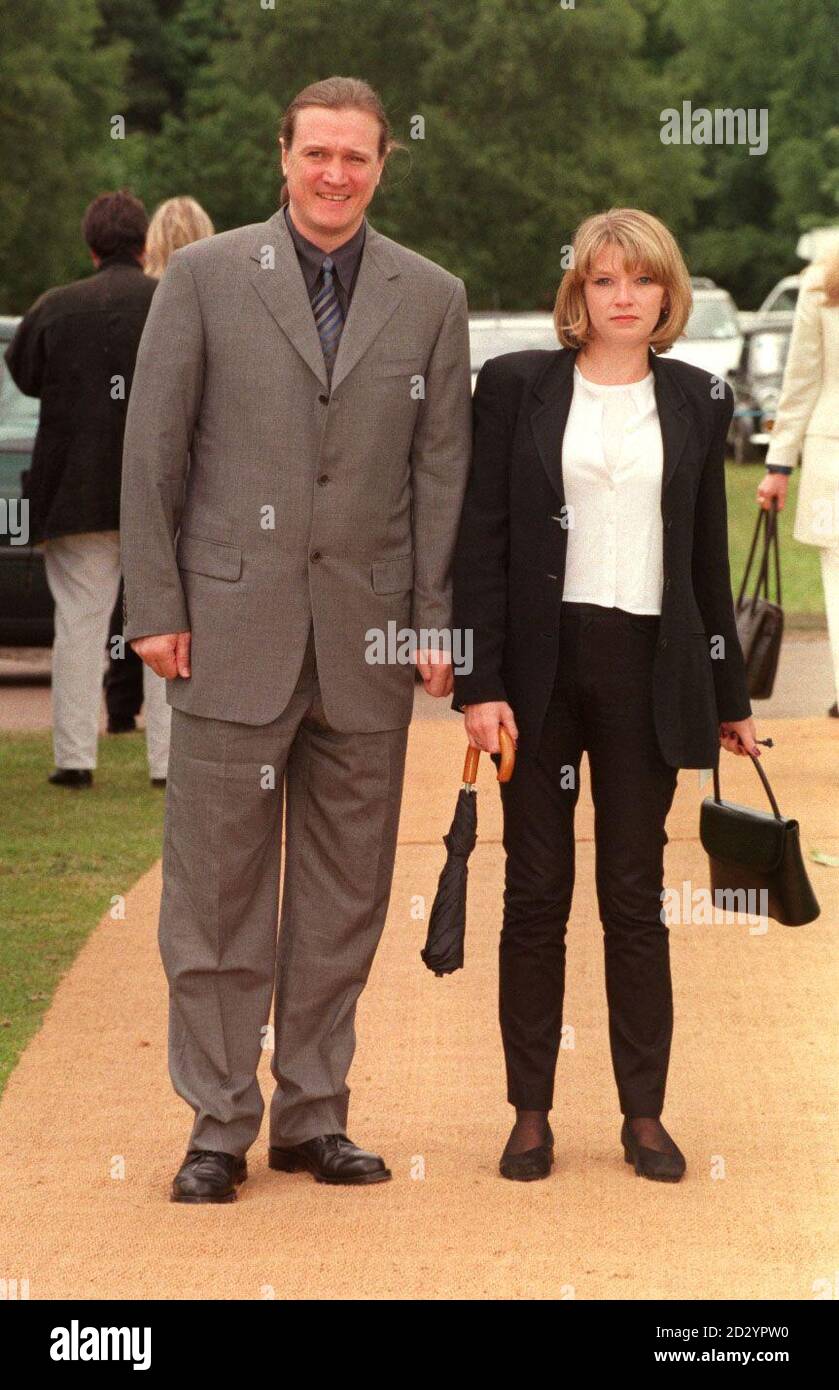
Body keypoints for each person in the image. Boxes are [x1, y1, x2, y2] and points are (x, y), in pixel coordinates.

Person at [120, 77, 472, 1203]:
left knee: (342, 897)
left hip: (367, 644)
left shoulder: (430, 295)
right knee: (215, 897)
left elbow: (439, 472)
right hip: (225, 630)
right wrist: (156, 602)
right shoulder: (208, 277)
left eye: (355, 158)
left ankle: (313, 1115)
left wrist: (430, 616)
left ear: (382, 165)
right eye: (315, 153)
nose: (334, 174)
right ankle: (218, 1124)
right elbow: (153, 453)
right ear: (282, 155)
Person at [451, 208, 759, 1183]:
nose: (621, 296)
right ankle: (530, 1113)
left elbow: (705, 558)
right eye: (602, 280)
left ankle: (642, 1114)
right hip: (539, 678)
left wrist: (730, 694)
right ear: (576, 292)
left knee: (633, 897)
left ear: (665, 296)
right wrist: (477, 682)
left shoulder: (697, 398)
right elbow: (481, 544)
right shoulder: (513, 387)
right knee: (534, 894)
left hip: (646, 671)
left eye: (640, 280)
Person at [4, 189, 170, 788]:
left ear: (90, 244)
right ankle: (167, 764)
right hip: (158, 492)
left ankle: (75, 760)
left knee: (78, 629)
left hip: (73, 493)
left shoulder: (55, 307)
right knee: (166, 625)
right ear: (144, 242)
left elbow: (24, 375)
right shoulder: (167, 301)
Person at [104, 197, 215, 747]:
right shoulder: (210, 295)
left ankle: (120, 707)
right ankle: (163, 748)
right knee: (178, 602)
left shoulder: (143, 298)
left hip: (125, 472)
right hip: (195, 478)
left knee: (129, 596)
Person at [758, 249, 839, 716]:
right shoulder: (820, 283)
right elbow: (802, 379)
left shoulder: (819, 281)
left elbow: (802, 380)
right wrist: (778, 465)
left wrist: (779, 466)